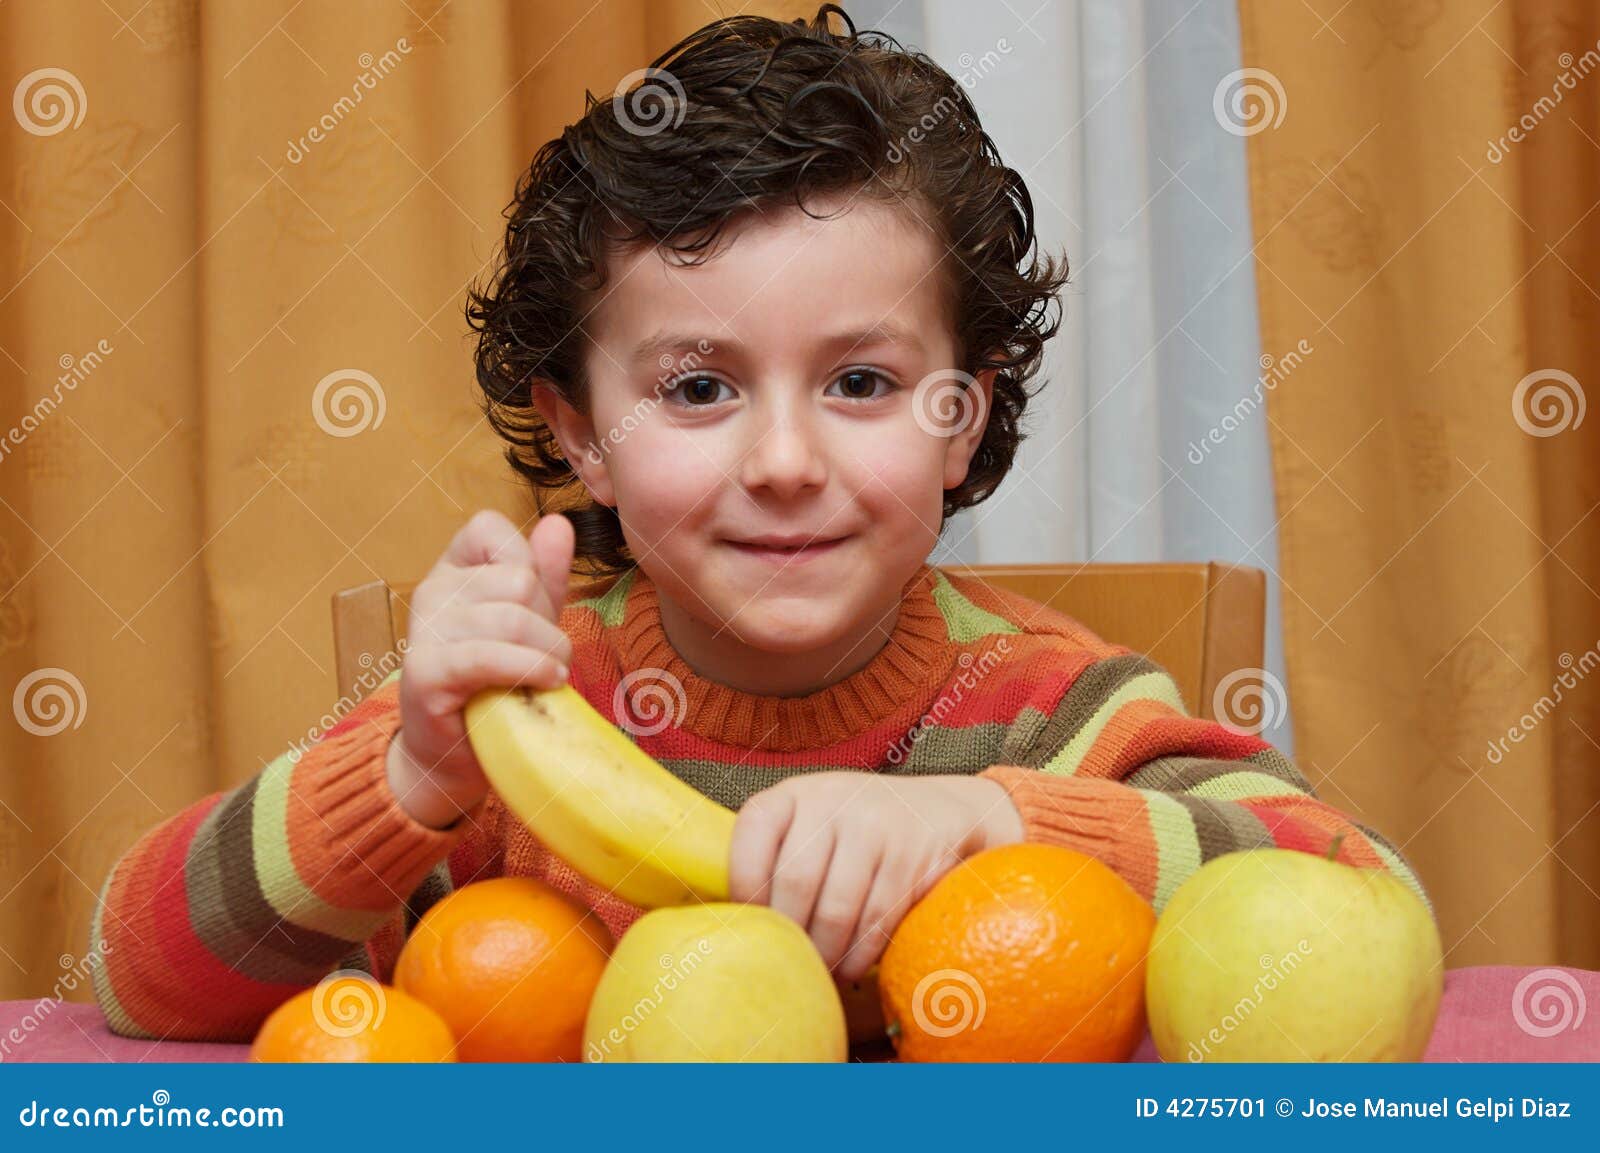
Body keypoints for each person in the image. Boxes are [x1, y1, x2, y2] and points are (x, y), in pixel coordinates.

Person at [91, 5, 1427, 1042]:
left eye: (862, 381)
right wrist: (409, 786)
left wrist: (998, 824)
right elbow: (136, 979)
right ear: (576, 431)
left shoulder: (1050, 713)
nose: (784, 461)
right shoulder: (516, 714)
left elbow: (1362, 895)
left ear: (964, 414)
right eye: (698, 387)